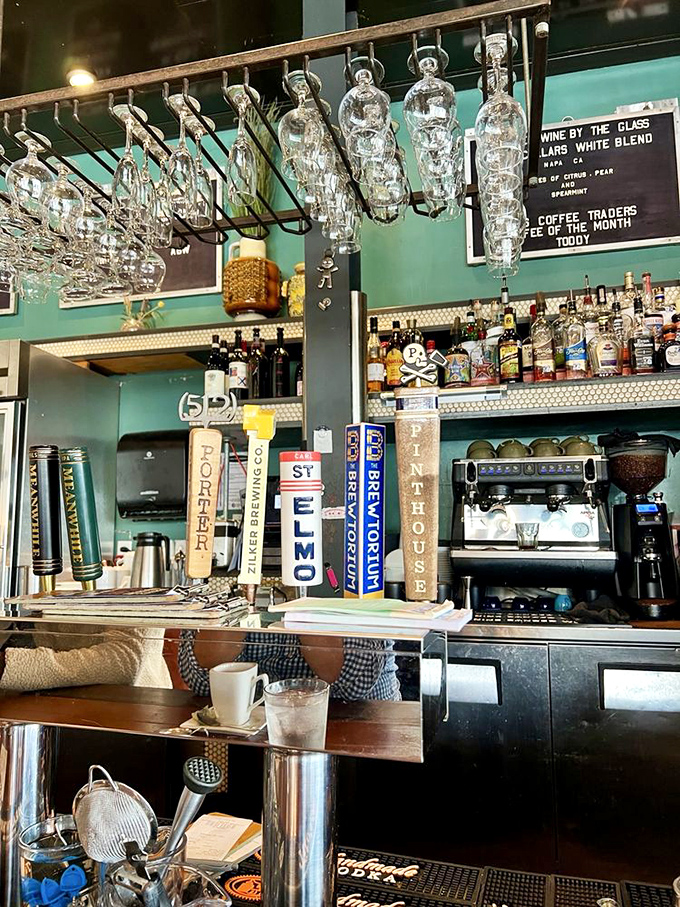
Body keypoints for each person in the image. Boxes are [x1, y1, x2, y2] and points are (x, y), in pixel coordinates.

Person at [178, 629, 401, 701]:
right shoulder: (227, 556)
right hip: (252, 739)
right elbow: (203, 681)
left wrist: (302, 584)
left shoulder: (350, 549)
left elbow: (350, 684)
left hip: (362, 736)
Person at [0, 624, 171, 691]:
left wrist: (9, 665)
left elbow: (122, 661)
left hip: (126, 715)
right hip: (35, 701)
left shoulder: (143, 565)